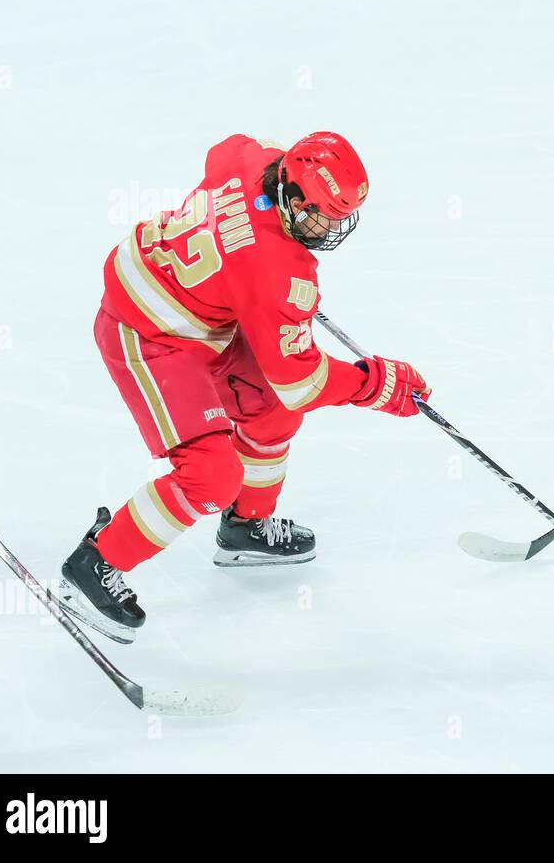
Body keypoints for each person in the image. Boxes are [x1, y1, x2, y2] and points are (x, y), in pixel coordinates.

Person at [59, 132, 430, 643]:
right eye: (325, 214)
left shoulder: (250, 160)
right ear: (294, 199)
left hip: (198, 317)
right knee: (211, 477)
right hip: (146, 331)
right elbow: (302, 380)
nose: (334, 227)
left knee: (271, 407)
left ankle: (245, 528)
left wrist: (253, 283)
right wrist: (375, 385)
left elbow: (225, 150)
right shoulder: (277, 271)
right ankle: (95, 563)